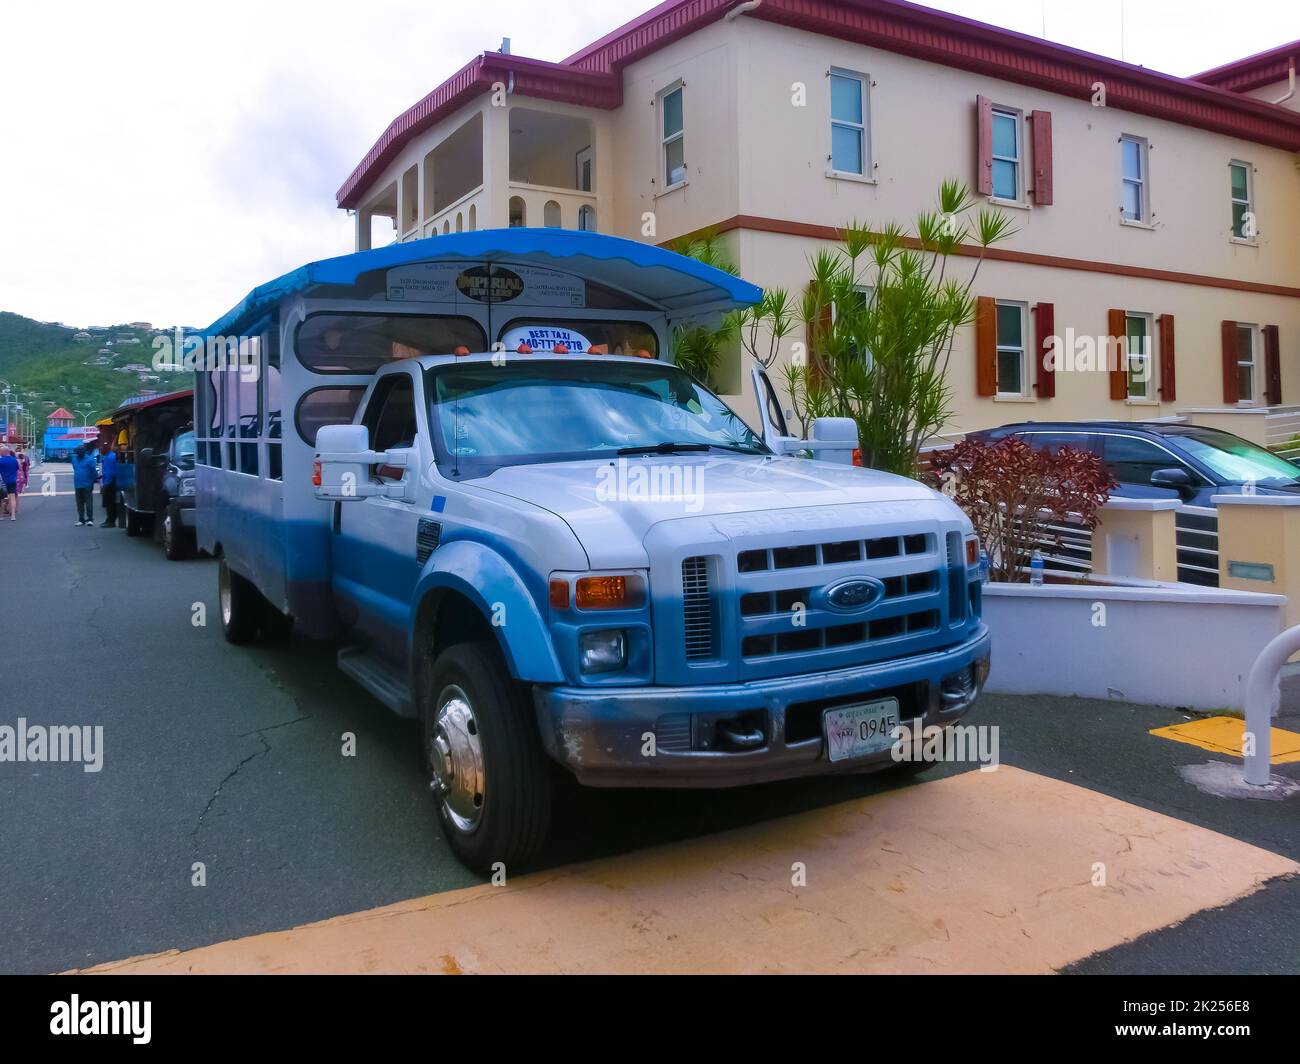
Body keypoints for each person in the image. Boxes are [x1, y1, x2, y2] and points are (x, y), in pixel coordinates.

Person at [72, 445, 98, 526]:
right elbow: (75, 469)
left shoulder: (90, 459)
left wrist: (93, 480)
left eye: (80, 452)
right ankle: (81, 519)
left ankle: (90, 519)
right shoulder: (74, 459)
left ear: (83, 452)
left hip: (88, 484)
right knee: (79, 503)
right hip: (78, 483)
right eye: (77, 452)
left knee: (88, 502)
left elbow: (93, 471)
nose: (78, 453)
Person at [99, 442, 119, 528]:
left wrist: (106, 484)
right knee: (108, 503)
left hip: (110, 483)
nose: (100, 450)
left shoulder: (110, 457)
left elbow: (111, 472)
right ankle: (109, 520)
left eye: (102, 449)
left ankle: (111, 521)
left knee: (110, 503)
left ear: (106, 449)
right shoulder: (107, 456)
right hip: (108, 481)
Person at [0, 447, 17, 522]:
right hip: (12, 480)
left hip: (3, 481)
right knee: (12, 497)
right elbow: (17, 469)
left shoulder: (1, 460)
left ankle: (1, 516)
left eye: (0, 452)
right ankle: (13, 515)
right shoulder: (14, 460)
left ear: (4, 452)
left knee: (2, 499)